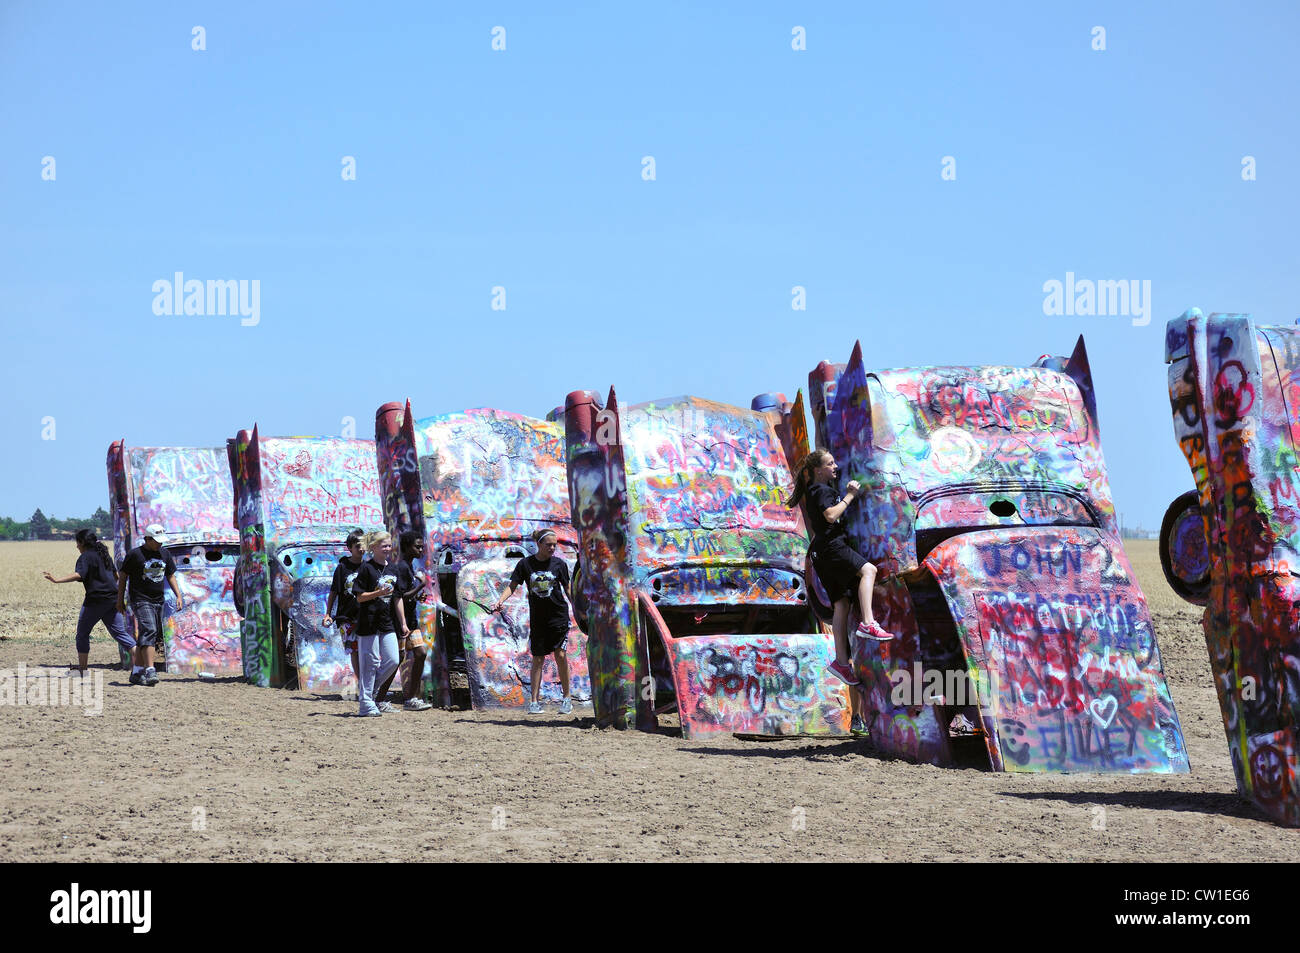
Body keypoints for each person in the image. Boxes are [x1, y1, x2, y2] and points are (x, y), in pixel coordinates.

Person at [786, 449, 893, 689]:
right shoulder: (821, 490)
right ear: (817, 470)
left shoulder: (816, 489)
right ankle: (868, 622)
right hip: (832, 547)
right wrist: (850, 496)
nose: (835, 466)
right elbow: (830, 515)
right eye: (830, 463)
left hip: (821, 554)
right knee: (869, 571)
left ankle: (841, 662)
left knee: (841, 604)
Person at [491, 528, 573, 715]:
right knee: (538, 658)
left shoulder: (559, 564)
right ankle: (534, 702)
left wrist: (578, 609)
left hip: (558, 616)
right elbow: (512, 586)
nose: (552, 548)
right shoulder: (525, 564)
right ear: (539, 544)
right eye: (548, 544)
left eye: (555, 544)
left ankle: (566, 698)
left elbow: (568, 589)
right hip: (538, 618)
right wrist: (500, 601)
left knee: (560, 655)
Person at [43, 528, 136, 673]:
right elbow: (116, 576)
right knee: (120, 634)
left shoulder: (85, 557)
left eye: (77, 543)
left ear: (82, 543)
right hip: (112, 598)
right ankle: (138, 667)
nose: (76, 546)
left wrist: (56, 580)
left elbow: (79, 574)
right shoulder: (104, 554)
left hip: (95, 601)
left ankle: (82, 669)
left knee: (82, 634)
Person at [116, 523, 183, 687]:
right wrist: (120, 600)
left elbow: (171, 576)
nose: (160, 544)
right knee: (150, 630)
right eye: (156, 541)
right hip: (140, 599)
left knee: (148, 634)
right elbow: (123, 577)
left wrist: (178, 595)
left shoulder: (164, 554)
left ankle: (137, 672)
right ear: (147, 539)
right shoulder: (135, 555)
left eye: (161, 541)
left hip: (158, 600)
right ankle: (150, 670)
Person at [351, 531, 401, 717]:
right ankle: (366, 704)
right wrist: (377, 593)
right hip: (368, 622)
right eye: (383, 546)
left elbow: (397, 597)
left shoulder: (393, 569)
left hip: (387, 622)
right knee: (369, 663)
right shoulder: (366, 568)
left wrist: (402, 622)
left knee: (393, 660)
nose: (387, 549)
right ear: (373, 548)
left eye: (389, 545)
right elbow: (360, 597)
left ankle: (368, 693)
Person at [389, 530, 432, 711]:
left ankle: (412, 698)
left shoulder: (409, 565)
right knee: (396, 659)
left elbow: (408, 595)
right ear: (407, 547)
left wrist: (417, 596)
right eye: (417, 546)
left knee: (421, 653)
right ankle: (379, 696)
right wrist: (421, 585)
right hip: (401, 622)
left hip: (411, 621)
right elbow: (399, 596)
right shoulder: (402, 568)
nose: (421, 549)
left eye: (422, 546)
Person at [323, 530, 366, 690]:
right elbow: (334, 591)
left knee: (367, 652)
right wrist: (328, 613)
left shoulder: (368, 567)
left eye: (363, 545)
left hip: (365, 616)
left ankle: (367, 684)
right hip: (346, 617)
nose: (361, 549)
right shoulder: (342, 568)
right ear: (350, 548)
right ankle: (362, 684)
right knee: (355, 651)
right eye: (357, 546)